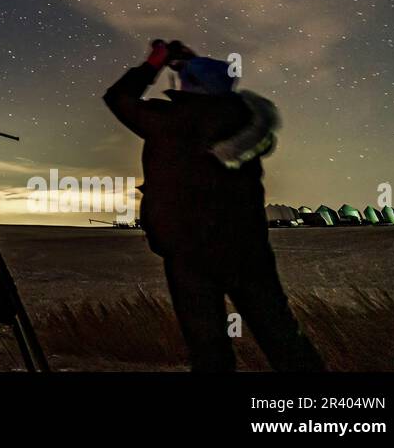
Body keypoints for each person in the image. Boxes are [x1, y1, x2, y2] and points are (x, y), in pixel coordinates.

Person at [103, 39, 324, 372]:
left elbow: (118, 98)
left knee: (209, 349)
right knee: (283, 338)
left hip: (191, 255)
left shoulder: (170, 120)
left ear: (190, 87)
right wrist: (195, 67)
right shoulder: (245, 119)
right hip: (249, 251)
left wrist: (154, 63)